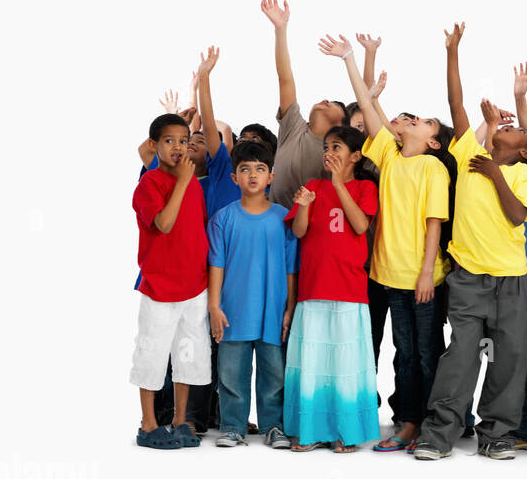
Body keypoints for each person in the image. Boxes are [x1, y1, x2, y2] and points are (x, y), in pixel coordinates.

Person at [320, 34, 452, 453]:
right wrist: (349, 58)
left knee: (429, 353)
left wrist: (428, 272)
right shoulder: (391, 157)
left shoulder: (433, 167)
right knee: (405, 353)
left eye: (427, 122)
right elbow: (366, 105)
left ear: (433, 141)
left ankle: (433, 424)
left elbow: (434, 224)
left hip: (422, 277)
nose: (416, 120)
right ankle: (408, 421)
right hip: (390, 275)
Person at [413, 24, 527, 461]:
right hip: (468, 278)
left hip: (511, 281)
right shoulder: (469, 154)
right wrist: (452, 51)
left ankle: (498, 434)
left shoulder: (522, 173)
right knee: (460, 355)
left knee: (509, 358)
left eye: (519, 130)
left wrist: (495, 174)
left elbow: (516, 214)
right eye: (506, 123)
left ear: (523, 149)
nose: (509, 125)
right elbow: (455, 103)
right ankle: (439, 433)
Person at [283, 125, 380, 451]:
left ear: (355, 156)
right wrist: (306, 205)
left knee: (344, 364)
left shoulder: (365, 188)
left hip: (349, 289)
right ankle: (309, 430)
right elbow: (299, 232)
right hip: (313, 287)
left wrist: (338, 184)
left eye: (337, 147)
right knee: (314, 361)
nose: (329, 153)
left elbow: (360, 225)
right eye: (326, 147)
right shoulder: (311, 186)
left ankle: (345, 431)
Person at [207, 140, 297, 448]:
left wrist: (290, 307)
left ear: (271, 176)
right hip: (233, 311)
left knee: (275, 375)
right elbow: (216, 264)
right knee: (231, 375)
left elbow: (290, 268)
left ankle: (273, 426)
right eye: (245, 170)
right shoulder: (223, 218)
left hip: (272, 310)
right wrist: (214, 306)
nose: (253, 175)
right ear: (234, 178)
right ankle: (233, 426)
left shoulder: (283, 218)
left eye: (260, 169)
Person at [130, 113, 210, 449]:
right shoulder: (149, 185)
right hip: (160, 288)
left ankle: (181, 420)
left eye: (183, 141)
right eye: (168, 141)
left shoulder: (191, 180)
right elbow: (163, 223)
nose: (178, 148)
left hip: (194, 285)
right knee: (152, 352)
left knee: (188, 354)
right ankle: (148, 425)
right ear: (154, 146)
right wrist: (180, 182)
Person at [261, 0, 366, 210]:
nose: (326, 100)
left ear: (342, 124)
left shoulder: (343, 151)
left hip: (314, 231)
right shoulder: (294, 128)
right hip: (278, 222)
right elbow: (285, 79)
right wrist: (280, 30)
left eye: (335, 103)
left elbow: (367, 107)